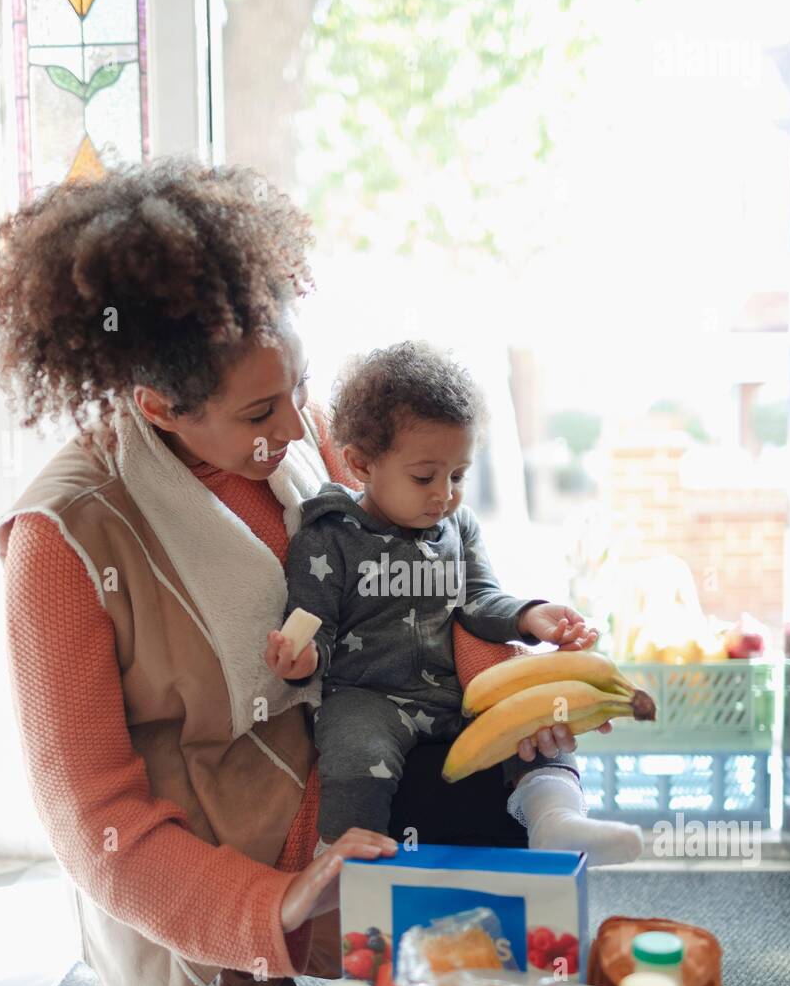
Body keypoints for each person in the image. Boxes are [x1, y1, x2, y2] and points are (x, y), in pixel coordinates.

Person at [0, 160, 612, 986]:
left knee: (523, 791)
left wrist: (499, 682)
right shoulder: (64, 541)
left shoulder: (297, 428)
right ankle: (249, 969)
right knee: (479, 862)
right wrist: (269, 906)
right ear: (157, 405)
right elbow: (94, 822)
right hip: (243, 832)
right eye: (258, 412)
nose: (299, 425)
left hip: (361, 733)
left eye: (298, 386)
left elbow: (420, 579)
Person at [268, 341, 643, 867]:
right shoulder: (328, 535)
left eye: (459, 475)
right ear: (361, 463)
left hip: (456, 692)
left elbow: (479, 599)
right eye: (425, 477)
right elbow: (315, 629)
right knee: (356, 754)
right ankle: (340, 858)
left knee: (534, 718)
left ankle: (555, 818)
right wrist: (302, 660)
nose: (445, 494)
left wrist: (530, 615)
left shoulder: (457, 527)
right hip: (366, 696)